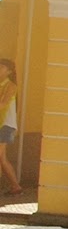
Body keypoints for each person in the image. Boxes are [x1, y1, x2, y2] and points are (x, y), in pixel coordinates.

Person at [0, 59, 18, 197]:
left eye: (2, 67)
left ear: (9, 71)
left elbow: (3, 104)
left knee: (1, 156)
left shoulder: (11, 86)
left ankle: (15, 185)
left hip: (5, 125)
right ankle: (15, 186)